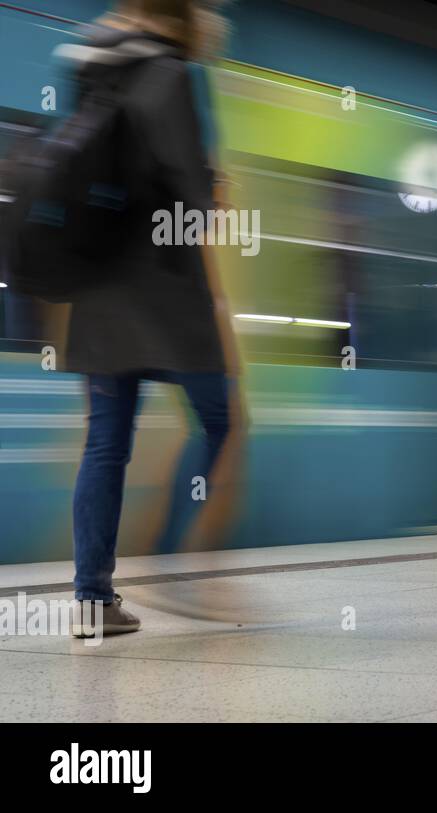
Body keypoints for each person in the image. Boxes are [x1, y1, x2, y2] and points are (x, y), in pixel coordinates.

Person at [62, 0, 240, 637]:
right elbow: (193, 196)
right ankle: (166, 551)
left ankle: (92, 599)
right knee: (222, 417)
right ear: (184, 17)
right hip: (164, 297)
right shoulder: (172, 75)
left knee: (105, 445)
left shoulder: (90, 68)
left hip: (98, 295)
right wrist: (212, 188)